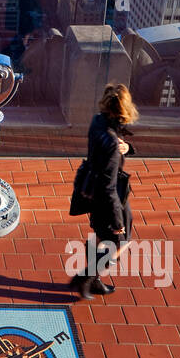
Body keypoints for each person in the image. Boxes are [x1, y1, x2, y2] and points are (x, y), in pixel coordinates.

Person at [71, 83, 138, 300]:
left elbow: (112, 145)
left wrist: (126, 148)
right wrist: (118, 221)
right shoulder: (110, 142)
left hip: (91, 187)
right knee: (120, 241)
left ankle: (93, 279)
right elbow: (109, 187)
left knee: (101, 237)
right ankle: (87, 277)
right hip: (109, 196)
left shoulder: (98, 121)